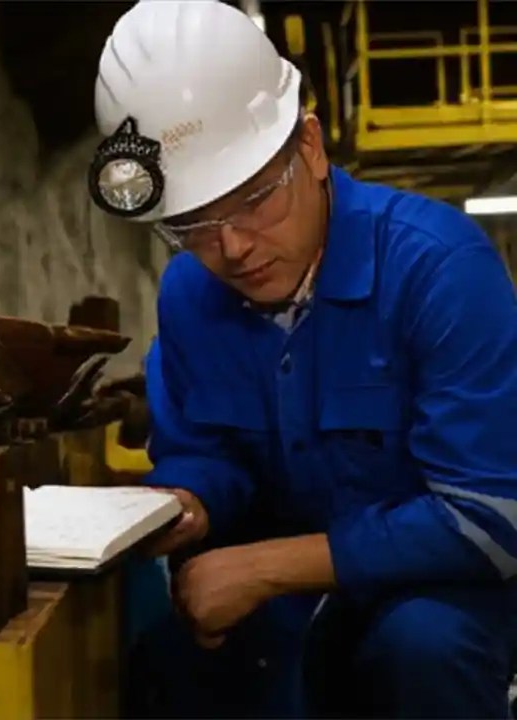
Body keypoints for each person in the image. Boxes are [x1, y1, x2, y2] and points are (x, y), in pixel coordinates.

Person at [90, 2, 517, 717]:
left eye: (254, 201)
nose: (232, 248)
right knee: (164, 660)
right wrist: (188, 503)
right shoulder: (190, 293)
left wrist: (266, 567)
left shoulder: (439, 268)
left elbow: (493, 517)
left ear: (311, 147)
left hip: (438, 590)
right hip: (286, 602)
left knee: (420, 650)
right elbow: (207, 453)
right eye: (193, 224)